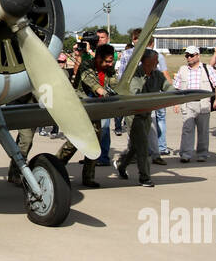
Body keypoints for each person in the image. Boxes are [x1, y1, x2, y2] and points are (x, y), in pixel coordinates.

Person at [54, 43, 119, 187]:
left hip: (95, 110)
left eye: (111, 60)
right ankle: (55, 166)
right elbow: (91, 82)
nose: (110, 63)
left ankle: (88, 177)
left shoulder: (109, 69)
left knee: (94, 143)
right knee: (74, 142)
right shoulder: (86, 66)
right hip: (80, 107)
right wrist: (103, 92)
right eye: (108, 61)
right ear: (98, 58)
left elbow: (115, 84)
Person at [115, 50, 165, 187]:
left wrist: (178, 94)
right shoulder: (134, 75)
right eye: (155, 61)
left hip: (147, 114)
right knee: (143, 146)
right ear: (146, 62)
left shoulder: (157, 75)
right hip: (134, 114)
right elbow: (135, 92)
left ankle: (121, 164)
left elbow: (167, 86)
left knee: (136, 146)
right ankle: (144, 177)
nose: (157, 63)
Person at [173, 45, 216, 162]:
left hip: (203, 104)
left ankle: (202, 153)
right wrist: (176, 103)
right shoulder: (182, 69)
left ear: (198, 56)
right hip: (187, 104)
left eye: (191, 55)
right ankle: (185, 154)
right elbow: (176, 88)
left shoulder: (207, 68)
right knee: (187, 129)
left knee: (203, 130)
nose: (189, 58)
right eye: (187, 56)